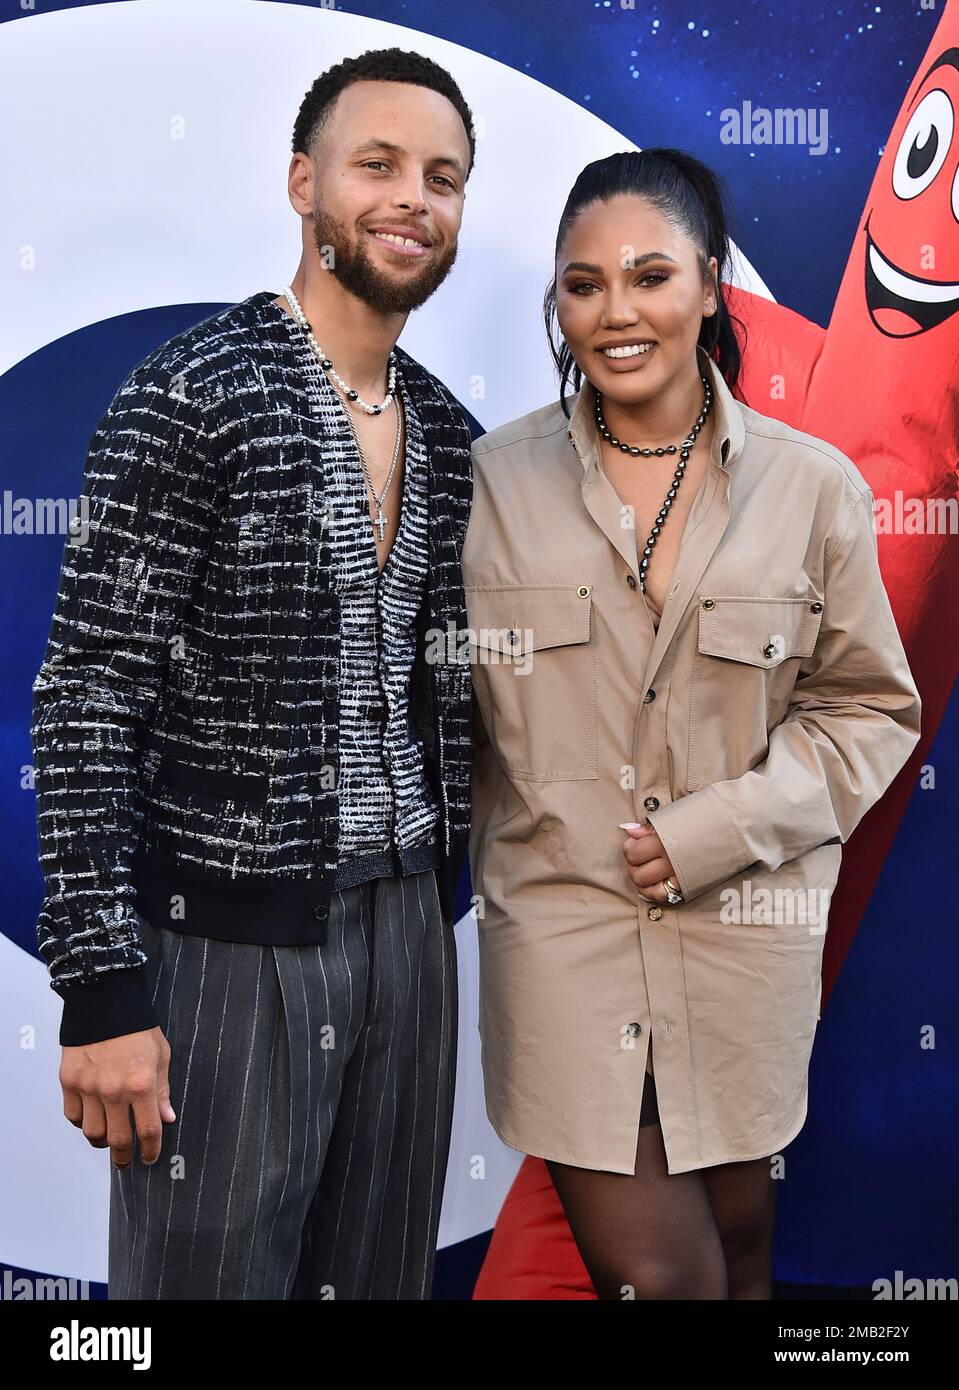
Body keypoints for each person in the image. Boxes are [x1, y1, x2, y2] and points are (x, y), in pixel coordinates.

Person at [31, 48, 476, 1300]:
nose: (411, 199)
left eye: (441, 177)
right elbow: (87, 696)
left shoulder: (444, 427)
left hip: (408, 936)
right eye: (377, 164)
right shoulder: (191, 391)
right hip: (228, 945)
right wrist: (102, 985)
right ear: (302, 182)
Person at [461, 148, 922, 1300]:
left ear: (709, 286)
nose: (614, 312)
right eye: (581, 285)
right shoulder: (487, 482)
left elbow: (866, 705)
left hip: (742, 944)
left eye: (648, 275)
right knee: (664, 1282)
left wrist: (723, 826)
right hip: (565, 946)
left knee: (744, 1265)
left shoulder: (811, 486)